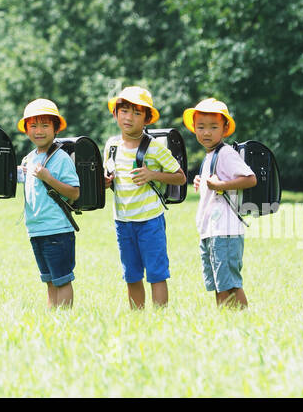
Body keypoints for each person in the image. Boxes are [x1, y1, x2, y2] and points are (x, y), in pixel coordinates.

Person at [102, 85, 184, 308]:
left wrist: (152, 174)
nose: (130, 117)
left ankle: (160, 319)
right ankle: (137, 318)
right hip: (123, 221)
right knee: (131, 274)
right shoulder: (111, 146)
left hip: (150, 220)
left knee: (157, 273)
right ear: (115, 113)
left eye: (137, 113)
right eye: (125, 111)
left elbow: (180, 177)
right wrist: (106, 181)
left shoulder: (154, 148)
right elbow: (109, 174)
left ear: (147, 119)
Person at [185, 97, 255, 309]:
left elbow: (250, 178)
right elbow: (214, 182)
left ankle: (241, 321)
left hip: (224, 230)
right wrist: (204, 183)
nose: (206, 132)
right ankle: (225, 321)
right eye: (201, 127)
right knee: (218, 283)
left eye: (213, 127)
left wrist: (221, 185)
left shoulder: (225, 152)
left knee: (229, 283)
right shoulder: (210, 156)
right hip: (211, 230)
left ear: (225, 129)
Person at [17, 99, 79, 308]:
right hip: (36, 229)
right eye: (33, 125)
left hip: (57, 229)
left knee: (62, 279)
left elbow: (74, 192)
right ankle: (53, 318)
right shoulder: (29, 158)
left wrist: (48, 178)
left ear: (55, 128)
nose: (39, 131)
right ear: (26, 130)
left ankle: (65, 319)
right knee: (49, 280)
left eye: (45, 125)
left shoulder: (61, 158)